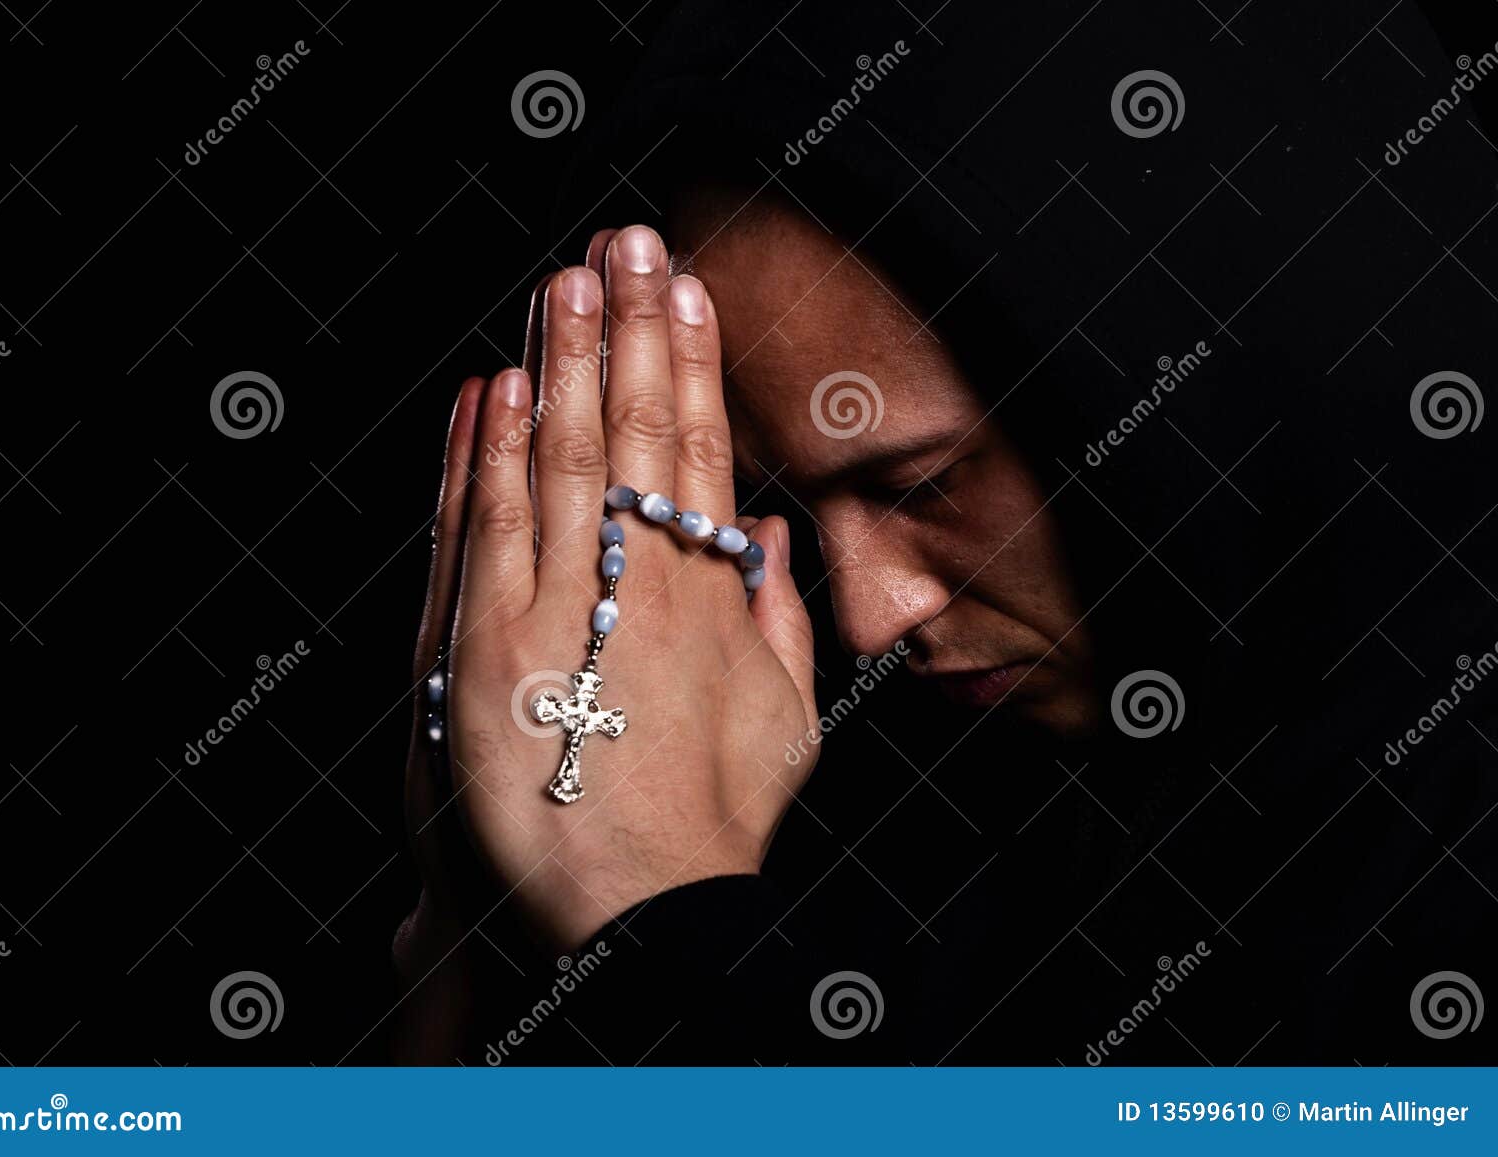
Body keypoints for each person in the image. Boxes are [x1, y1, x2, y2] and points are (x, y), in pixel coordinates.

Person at [392, 0, 1498, 1064]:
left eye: (922, 485)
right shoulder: (949, 821)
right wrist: (474, 938)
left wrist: (656, 916)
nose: (870, 618)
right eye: (772, 500)